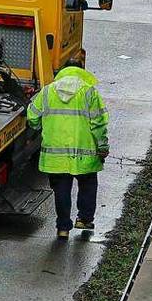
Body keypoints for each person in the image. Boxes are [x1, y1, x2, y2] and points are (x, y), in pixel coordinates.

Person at [27, 47, 110, 240]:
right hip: (85, 155)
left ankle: (63, 228)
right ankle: (84, 219)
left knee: (61, 191)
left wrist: (42, 127)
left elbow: (32, 116)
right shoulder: (89, 93)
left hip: (56, 156)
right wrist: (102, 147)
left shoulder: (47, 92)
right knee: (88, 185)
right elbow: (99, 123)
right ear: (82, 71)